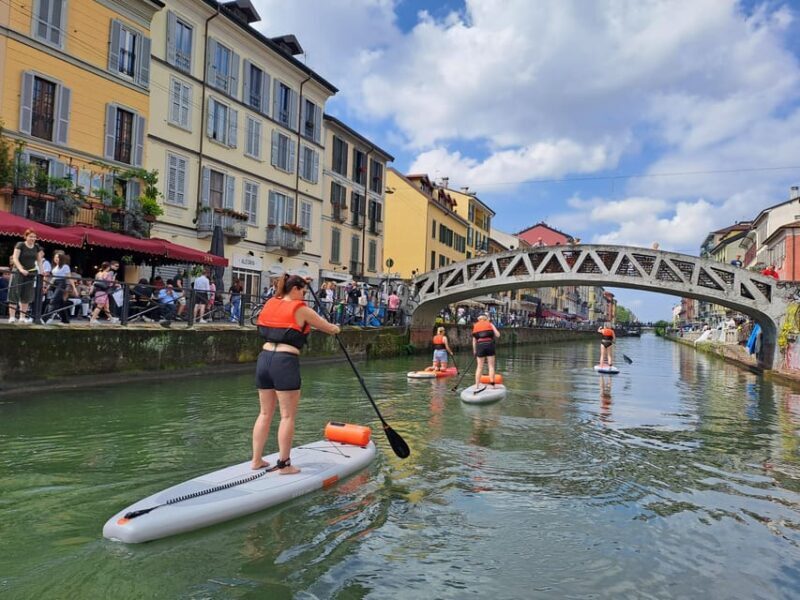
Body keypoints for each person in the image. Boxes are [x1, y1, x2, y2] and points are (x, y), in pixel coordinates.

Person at [252, 274, 341, 473]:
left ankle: (256, 460)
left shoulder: (270, 303)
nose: (304, 295)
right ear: (294, 290)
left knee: (265, 413)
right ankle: (284, 465)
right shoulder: (301, 309)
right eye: (303, 291)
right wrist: (337, 328)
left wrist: (303, 280)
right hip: (284, 362)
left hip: (264, 359)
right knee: (287, 416)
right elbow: (328, 327)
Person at [8, 228, 44, 323]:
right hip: (18, 272)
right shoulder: (21, 245)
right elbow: (15, 258)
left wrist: (42, 271)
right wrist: (21, 269)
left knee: (26, 295)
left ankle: (22, 317)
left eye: (34, 237)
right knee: (14, 293)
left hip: (31, 273)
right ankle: (12, 316)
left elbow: (39, 260)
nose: (33, 238)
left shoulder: (36, 246)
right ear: (26, 236)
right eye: (31, 236)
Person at [47, 252, 78, 324]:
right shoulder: (55, 267)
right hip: (55, 283)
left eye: (58, 257)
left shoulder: (65, 266)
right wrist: (48, 286)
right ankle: (65, 320)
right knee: (61, 303)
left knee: (53, 300)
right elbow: (53, 278)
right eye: (55, 257)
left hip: (61, 283)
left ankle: (46, 317)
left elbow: (69, 277)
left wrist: (74, 288)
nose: (56, 259)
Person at [472, 314, 501, 388]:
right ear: (486, 319)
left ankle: (477, 386)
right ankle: (493, 385)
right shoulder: (490, 324)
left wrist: (475, 351)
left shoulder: (475, 326)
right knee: (491, 366)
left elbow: (474, 341)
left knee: (479, 367)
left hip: (480, 345)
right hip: (489, 345)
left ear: (479, 320)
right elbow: (498, 335)